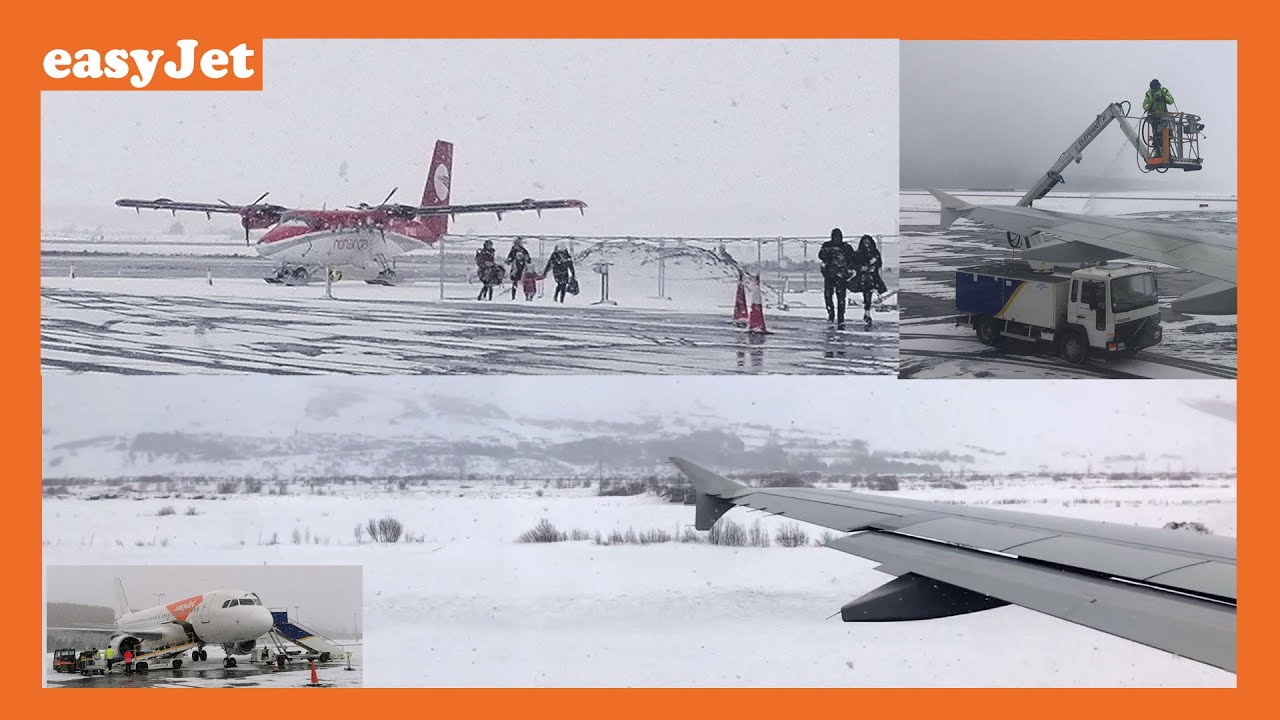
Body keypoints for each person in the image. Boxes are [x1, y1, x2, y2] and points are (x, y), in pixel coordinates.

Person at [818, 227, 855, 328]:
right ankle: (832, 314)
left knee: (840, 297)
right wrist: (829, 252)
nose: (837, 238)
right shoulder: (827, 245)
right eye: (835, 236)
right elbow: (821, 256)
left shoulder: (846, 247)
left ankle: (840, 317)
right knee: (829, 296)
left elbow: (852, 258)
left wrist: (848, 270)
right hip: (830, 275)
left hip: (841, 276)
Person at [850, 234, 888, 328]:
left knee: (868, 294)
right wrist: (862, 267)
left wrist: (874, 266)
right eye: (865, 242)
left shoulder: (875, 253)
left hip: (873, 276)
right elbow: (853, 264)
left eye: (868, 242)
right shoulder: (859, 253)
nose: (866, 244)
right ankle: (867, 312)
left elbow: (879, 264)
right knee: (867, 293)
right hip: (862, 277)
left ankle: (867, 312)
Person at [1144, 79, 1176, 157]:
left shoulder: (1163, 91)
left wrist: (1164, 98)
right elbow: (1145, 106)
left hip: (1164, 117)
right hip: (1155, 118)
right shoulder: (1149, 94)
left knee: (1166, 136)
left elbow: (1171, 100)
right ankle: (1157, 154)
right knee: (1157, 136)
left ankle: (1167, 154)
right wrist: (1153, 101)